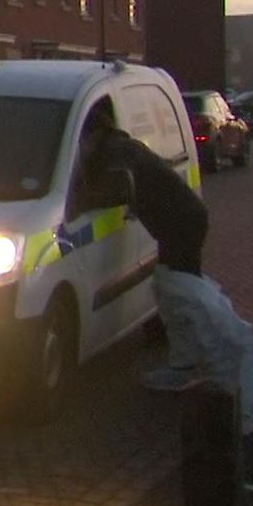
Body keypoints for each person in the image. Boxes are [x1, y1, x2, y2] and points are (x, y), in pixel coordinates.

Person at [77, 98, 211, 391]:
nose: (83, 147)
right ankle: (191, 358)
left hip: (181, 224)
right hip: (183, 221)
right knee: (178, 288)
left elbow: (121, 187)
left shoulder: (115, 151)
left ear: (93, 133)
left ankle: (185, 367)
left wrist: (85, 199)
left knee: (177, 292)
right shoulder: (118, 146)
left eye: (83, 139)